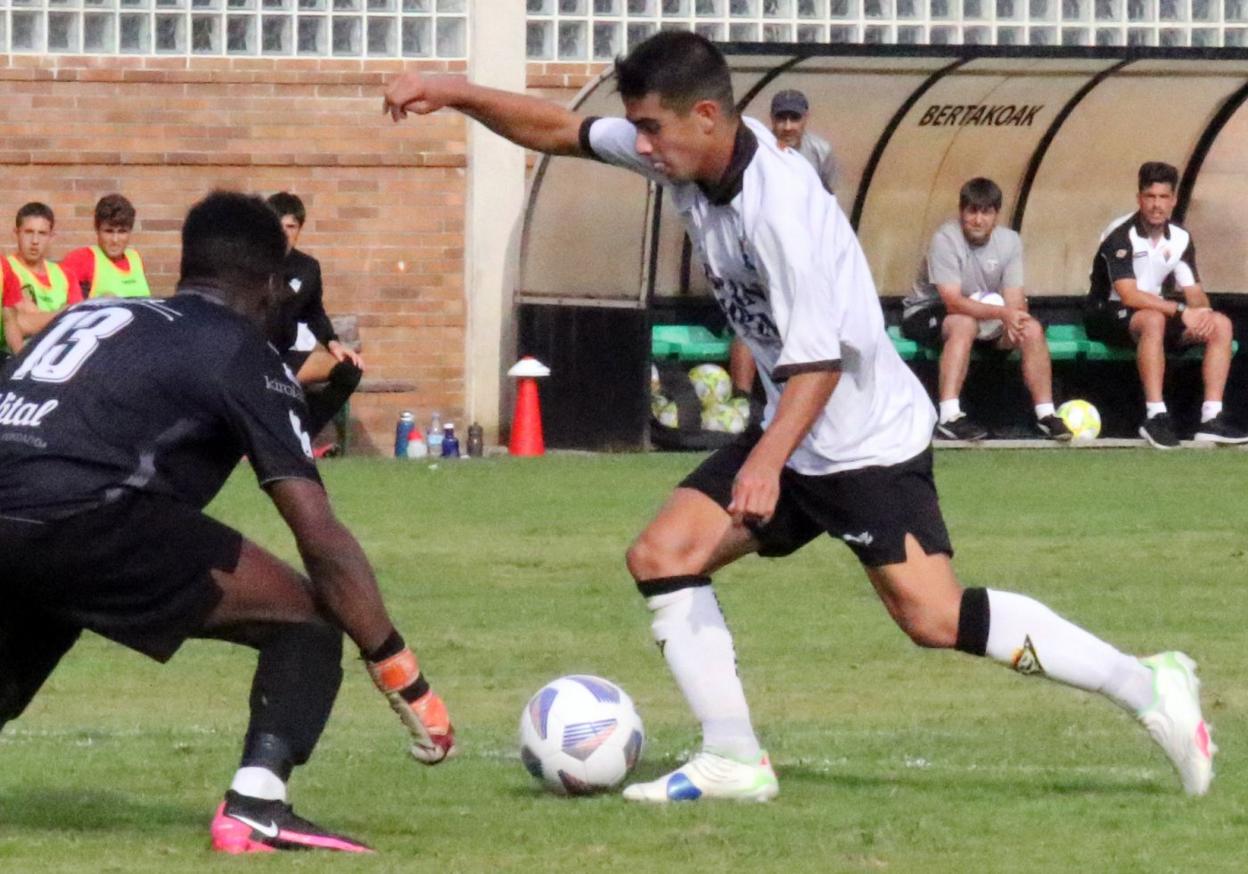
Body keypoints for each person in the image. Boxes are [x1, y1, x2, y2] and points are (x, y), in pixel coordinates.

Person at [383, 32, 1214, 803]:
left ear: (706, 116)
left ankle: (1148, 684)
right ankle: (734, 756)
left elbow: (818, 357)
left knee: (933, 617)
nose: (639, 144)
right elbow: (563, 132)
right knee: (664, 554)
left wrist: (765, 460)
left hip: (860, 439)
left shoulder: (780, 208)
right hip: (797, 430)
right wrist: (452, 90)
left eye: (649, 129)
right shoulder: (683, 160)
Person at [0, 192, 455, 854]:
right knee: (310, 618)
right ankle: (256, 807)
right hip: (85, 516)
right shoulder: (240, 349)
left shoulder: (98, 310)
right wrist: (398, 670)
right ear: (272, 286)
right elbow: (318, 534)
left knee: (37, 619)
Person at [1085, 161, 1247, 449]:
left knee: (1221, 324)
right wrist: (1182, 312)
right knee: (1153, 319)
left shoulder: (1181, 237)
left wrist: (1203, 314)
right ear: (1139, 199)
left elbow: (1193, 291)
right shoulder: (1120, 234)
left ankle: (1211, 419)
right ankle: (1155, 415)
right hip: (1106, 314)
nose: (1156, 205)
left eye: (1163, 198)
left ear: (1173, 201)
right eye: (1150, 197)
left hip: (1155, 311)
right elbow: (1129, 295)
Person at [902, 178, 1070, 442]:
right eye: (972, 211)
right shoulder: (945, 239)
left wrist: (1014, 320)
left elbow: (1014, 299)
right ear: (962, 212)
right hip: (928, 312)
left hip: (985, 316)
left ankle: (1046, 416)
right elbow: (952, 302)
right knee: (963, 323)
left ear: (996, 215)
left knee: (1032, 329)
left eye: (986, 212)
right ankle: (949, 416)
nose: (978, 220)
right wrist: (1003, 314)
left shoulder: (1010, 241)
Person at [728, 88, 843, 400]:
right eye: (782, 118)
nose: (788, 126)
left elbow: (827, 204)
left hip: (803, 253)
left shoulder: (819, 151)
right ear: (772, 120)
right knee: (753, 319)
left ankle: (802, 399)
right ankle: (742, 398)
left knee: (808, 324)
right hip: (758, 249)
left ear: (805, 119)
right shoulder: (755, 150)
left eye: (794, 118)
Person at [266, 192, 364, 450]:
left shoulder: (308, 268)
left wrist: (333, 343)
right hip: (253, 357)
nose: (285, 233)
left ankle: (299, 440)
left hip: (289, 357)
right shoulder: (250, 264)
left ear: (299, 229)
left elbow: (314, 311)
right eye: (278, 226)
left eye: (291, 227)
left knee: (349, 369)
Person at [1, 202, 82, 356]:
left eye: (42, 233)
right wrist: (64, 312)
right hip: (13, 357)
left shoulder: (65, 274)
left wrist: (39, 319)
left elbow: (77, 321)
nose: (35, 241)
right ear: (16, 233)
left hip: (61, 355)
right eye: (29, 232)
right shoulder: (6, 269)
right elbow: (20, 324)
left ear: (51, 236)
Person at [60, 193, 151, 300]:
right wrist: (96, 303)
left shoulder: (135, 258)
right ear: (97, 230)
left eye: (122, 232)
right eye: (108, 231)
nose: (115, 240)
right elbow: (58, 303)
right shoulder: (81, 259)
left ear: (130, 231)